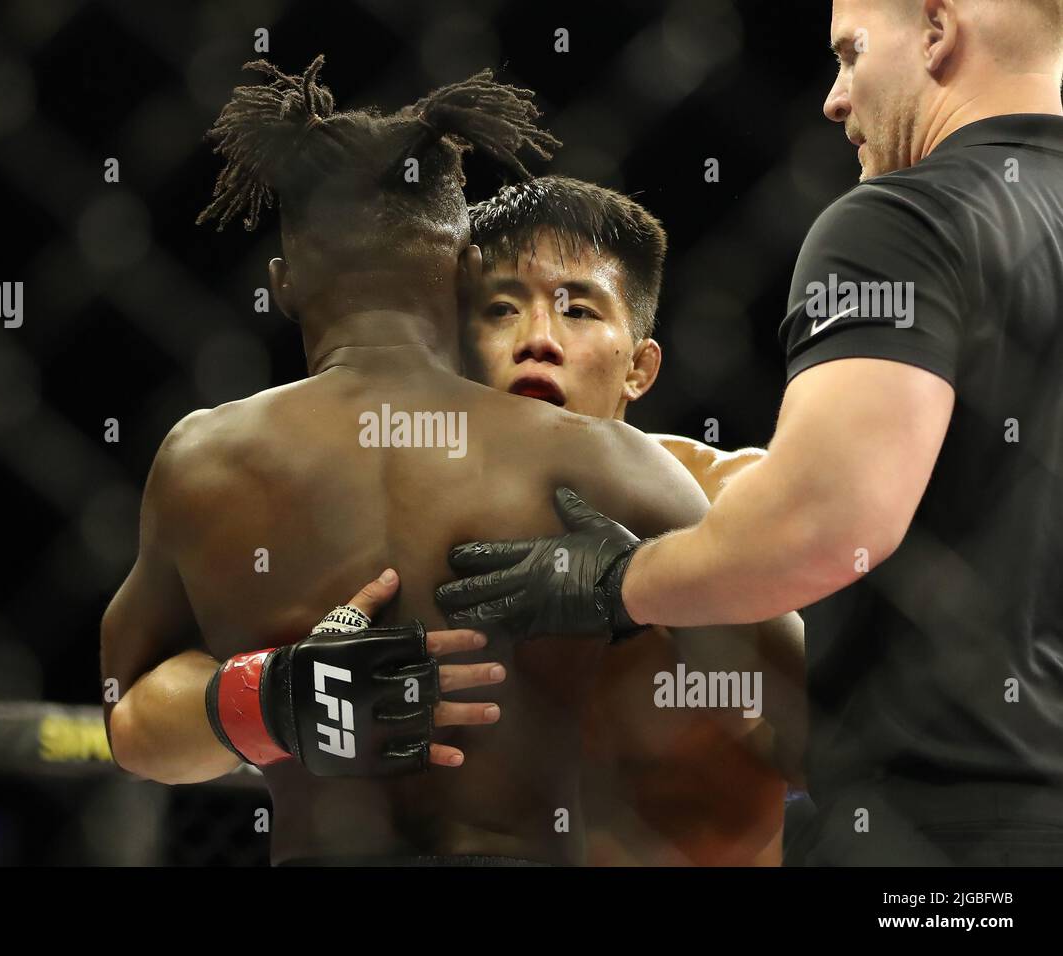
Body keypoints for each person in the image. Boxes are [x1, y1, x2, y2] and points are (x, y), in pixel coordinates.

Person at [101, 56, 786, 866]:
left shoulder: (205, 460)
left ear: (284, 285)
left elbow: (130, 724)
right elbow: (806, 704)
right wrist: (647, 588)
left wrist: (267, 698)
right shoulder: (609, 467)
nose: (540, 337)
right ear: (466, 271)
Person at [437, 0, 1063, 865]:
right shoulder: (366, 491)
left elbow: (822, 523)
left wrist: (618, 582)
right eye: (502, 308)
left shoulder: (901, 221)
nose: (835, 98)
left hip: (943, 827)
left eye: (851, 53)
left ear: (936, 29)